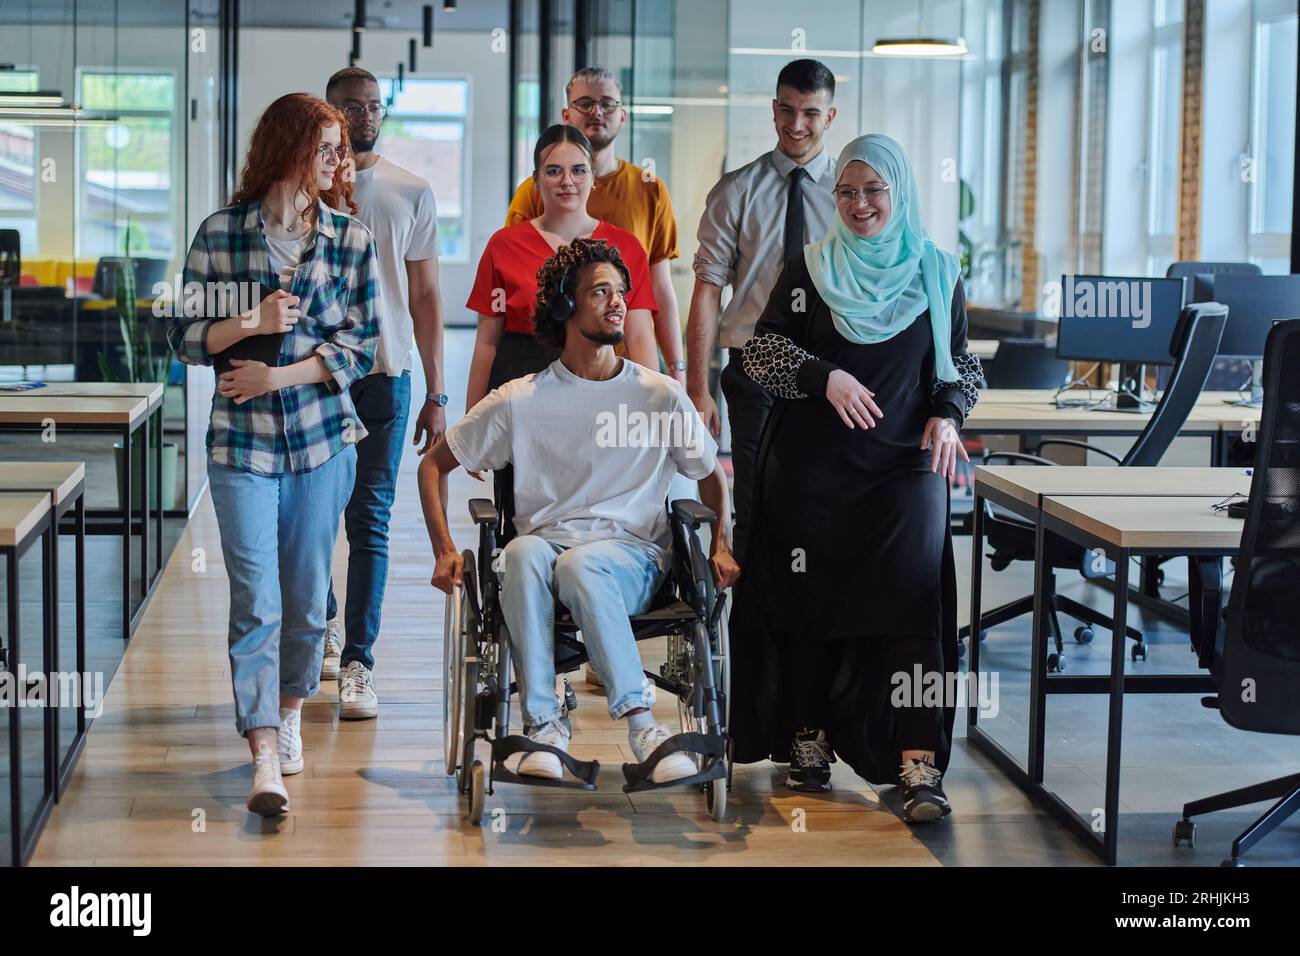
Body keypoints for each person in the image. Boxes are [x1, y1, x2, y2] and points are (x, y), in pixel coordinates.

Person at [728, 134, 983, 824]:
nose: (860, 204)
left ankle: (918, 762)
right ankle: (807, 737)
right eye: (847, 191)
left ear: (897, 193)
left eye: (874, 190)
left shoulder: (937, 270)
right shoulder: (810, 268)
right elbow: (762, 353)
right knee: (811, 605)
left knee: (913, 605)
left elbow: (962, 366)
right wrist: (824, 375)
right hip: (813, 473)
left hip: (906, 469)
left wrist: (950, 414)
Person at [418, 239, 739, 782]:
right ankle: (543, 726)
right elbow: (434, 464)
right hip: (543, 562)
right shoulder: (521, 399)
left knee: (579, 563)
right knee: (520, 553)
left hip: (632, 559)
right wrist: (445, 549)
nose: (618, 303)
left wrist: (722, 543)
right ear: (566, 305)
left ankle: (643, 725)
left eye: (621, 292)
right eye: (601, 292)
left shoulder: (658, 395)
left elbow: (710, 472)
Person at [168, 93, 379, 816]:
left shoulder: (351, 239)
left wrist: (276, 374)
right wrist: (249, 322)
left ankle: (289, 712)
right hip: (241, 447)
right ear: (288, 148)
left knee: (304, 598)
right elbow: (186, 336)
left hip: (322, 441)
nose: (335, 162)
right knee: (254, 597)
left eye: (339, 150)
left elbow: (361, 347)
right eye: (324, 149)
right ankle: (262, 746)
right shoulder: (222, 235)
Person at [321, 67, 447, 719]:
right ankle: (323, 619)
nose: (365, 114)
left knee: (368, 518)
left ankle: (359, 662)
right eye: (352, 105)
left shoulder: (411, 190)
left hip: (385, 377)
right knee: (312, 515)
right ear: (330, 110)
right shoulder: (305, 187)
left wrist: (438, 391)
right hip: (313, 379)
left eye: (374, 105)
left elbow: (425, 296)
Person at [687, 58, 839, 565]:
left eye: (810, 113)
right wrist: (697, 388)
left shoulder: (850, 197)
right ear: (774, 110)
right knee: (755, 507)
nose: (797, 125)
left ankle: (816, 629)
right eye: (788, 110)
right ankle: (758, 633)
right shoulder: (736, 191)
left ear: (830, 117)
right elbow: (707, 291)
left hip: (827, 372)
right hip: (753, 368)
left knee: (824, 507)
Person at [506, 67, 685, 383]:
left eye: (607, 104)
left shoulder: (649, 189)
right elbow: (519, 286)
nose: (596, 112)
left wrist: (676, 369)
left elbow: (660, 289)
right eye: (584, 103)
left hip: (627, 367)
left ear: (623, 115)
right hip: (554, 368)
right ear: (566, 114)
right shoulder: (532, 192)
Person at [465, 124, 657, 411]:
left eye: (579, 170)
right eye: (554, 171)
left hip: (598, 391)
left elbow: (640, 337)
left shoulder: (625, 247)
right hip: (519, 393)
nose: (567, 181)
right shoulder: (504, 245)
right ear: (536, 180)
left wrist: (653, 409)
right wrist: (473, 423)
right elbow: (487, 343)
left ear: (593, 178)